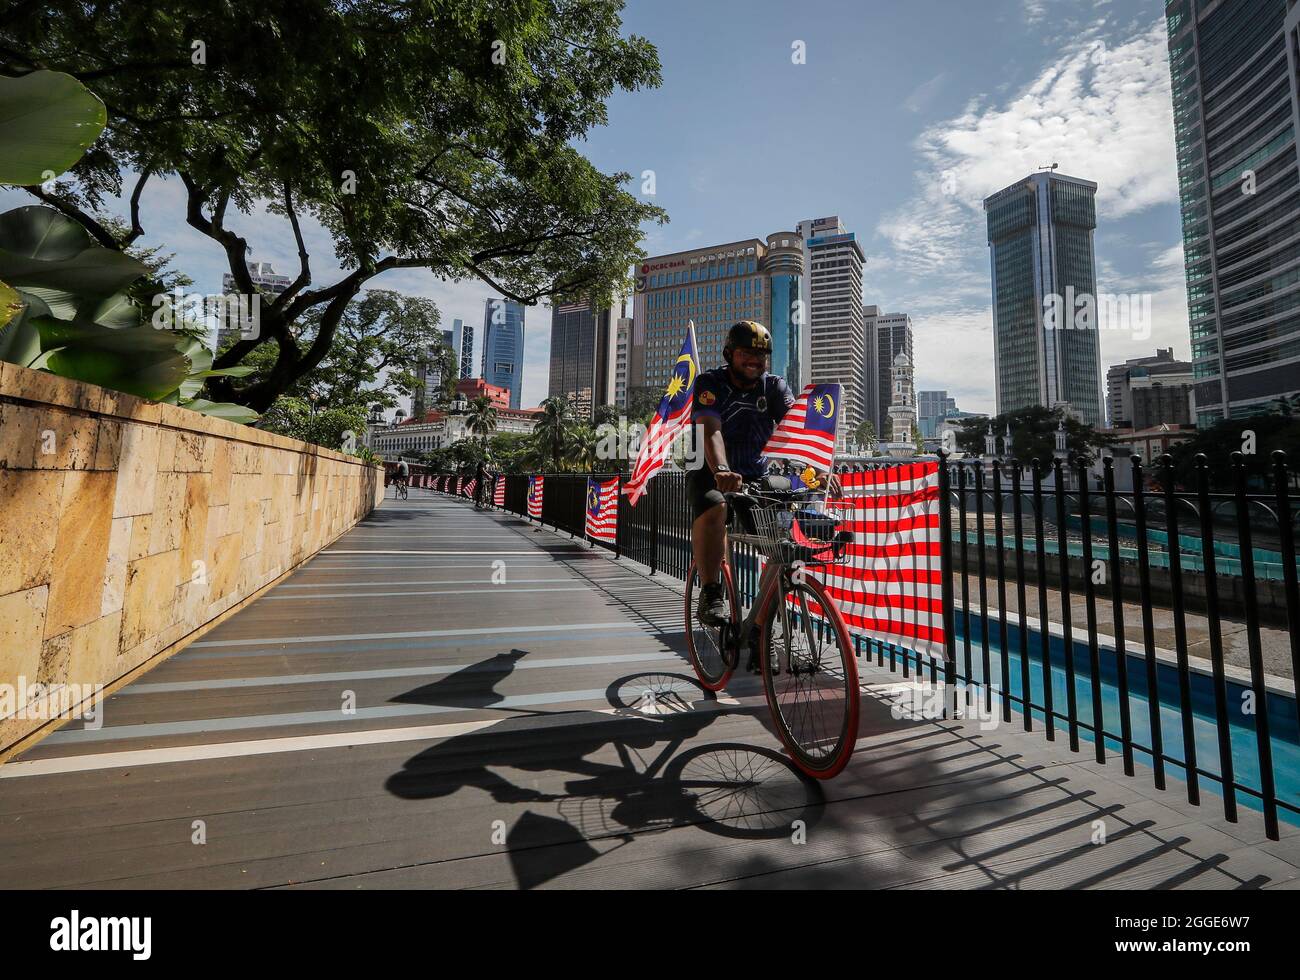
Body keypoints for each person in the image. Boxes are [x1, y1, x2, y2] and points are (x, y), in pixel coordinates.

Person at [689, 320, 832, 626]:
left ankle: (759, 623)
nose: (754, 360)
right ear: (729, 354)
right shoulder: (709, 383)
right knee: (715, 507)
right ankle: (711, 592)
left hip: (755, 475)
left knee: (778, 543)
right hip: (711, 470)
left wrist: (815, 472)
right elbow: (711, 431)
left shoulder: (775, 387)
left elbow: (796, 434)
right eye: (745, 353)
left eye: (761, 355)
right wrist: (723, 470)